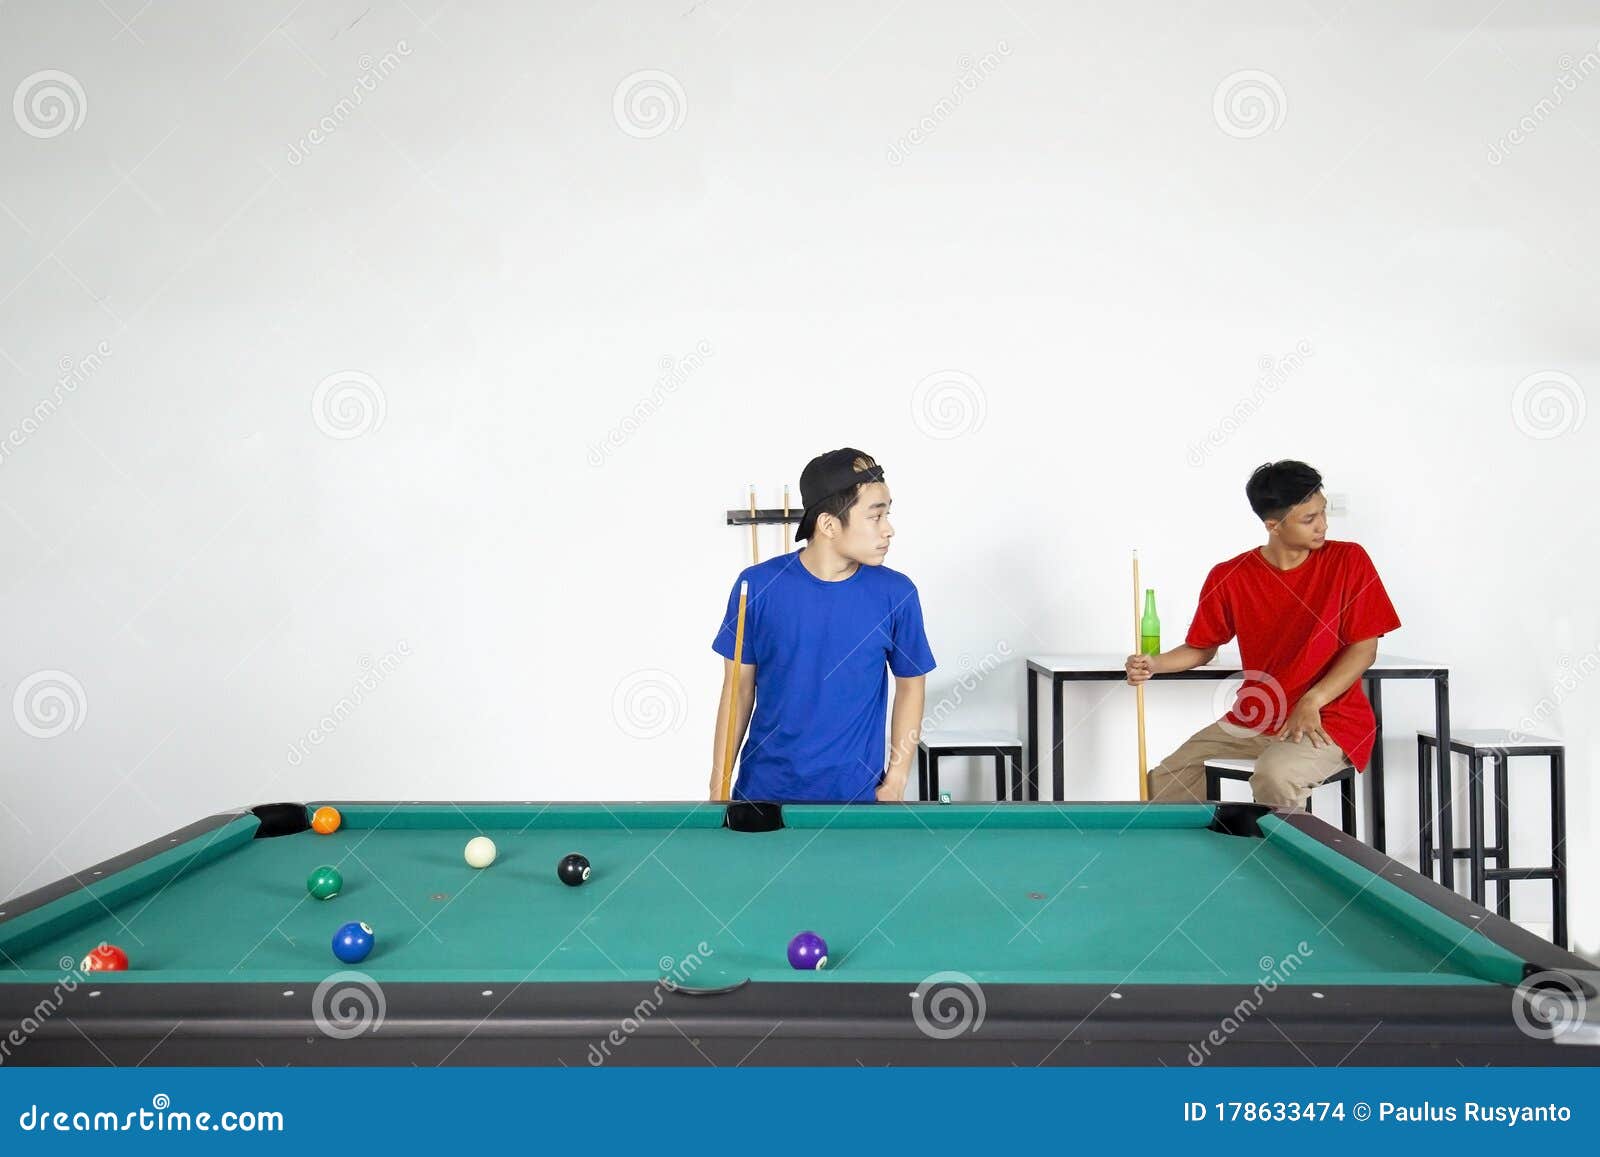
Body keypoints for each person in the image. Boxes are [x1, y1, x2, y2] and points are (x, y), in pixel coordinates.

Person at [1125, 460, 1401, 808]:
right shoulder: (1230, 576)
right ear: (1273, 525)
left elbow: (1364, 649)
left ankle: (1284, 863)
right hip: (1256, 717)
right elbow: (1201, 648)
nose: (1323, 525)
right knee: (1166, 778)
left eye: (1322, 513)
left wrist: (1311, 700)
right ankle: (1199, 860)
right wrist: (1152, 663)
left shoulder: (1349, 560)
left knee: (1275, 776)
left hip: (1330, 719)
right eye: (1308, 519)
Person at [710, 448, 936, 803]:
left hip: (857, 801)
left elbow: (911, 686)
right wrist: (717, 787)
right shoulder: (754, 587)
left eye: (887, 514)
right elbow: (737, 691)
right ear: (829, 524)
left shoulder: (897, 593)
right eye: (875, 517)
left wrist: (895, 781)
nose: (888, 529)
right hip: (763, 799)